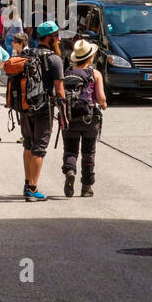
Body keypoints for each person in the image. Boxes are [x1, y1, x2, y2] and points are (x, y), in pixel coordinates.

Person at [4, 22, 66, 202]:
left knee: (28, 145)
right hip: (44, 108)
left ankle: (27, 183)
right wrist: (63, 113)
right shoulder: (54, 59)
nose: (59, 39)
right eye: (57, 36)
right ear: (50, 38)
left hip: (25, 107)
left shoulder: (26, 54)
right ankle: (33, 188)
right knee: (39, 148)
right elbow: (60, 90)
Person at [61, 38, 107, 198]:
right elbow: (101, 98)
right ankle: (86, 187)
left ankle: (70, 170)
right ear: (90, 57)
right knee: (88, 153)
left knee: (70, 149)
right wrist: (104, 104)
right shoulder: (95, 74)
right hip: (89, 118)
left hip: (70, 118)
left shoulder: (67, 73)